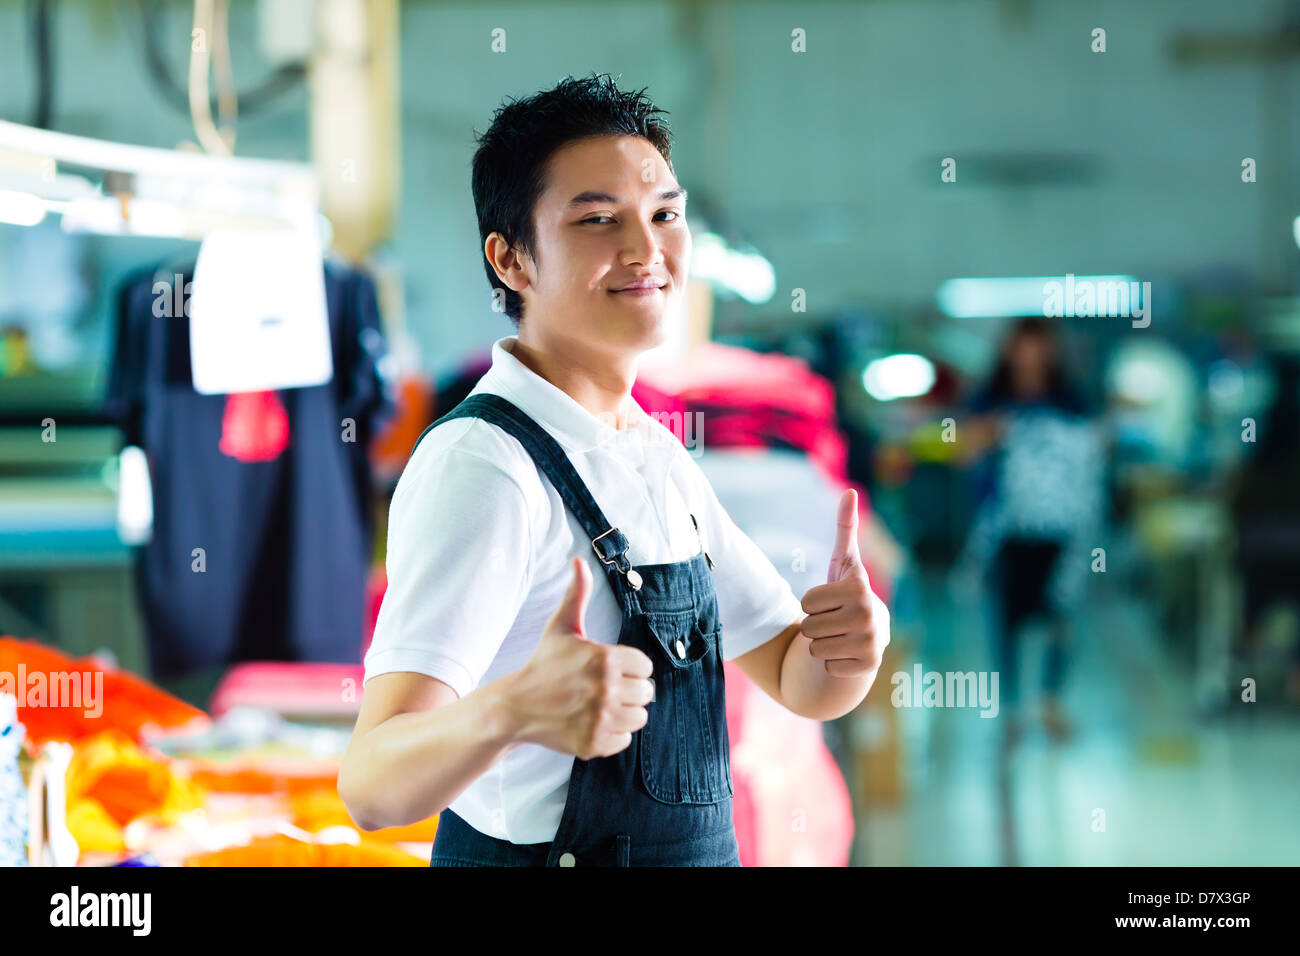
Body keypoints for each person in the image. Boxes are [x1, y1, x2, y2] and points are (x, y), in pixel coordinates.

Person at [338, 74, 891, 866]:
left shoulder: (653, 455)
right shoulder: (488, 465)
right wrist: (512, 711)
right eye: (598, 219)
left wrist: (848, 650)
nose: (646, 250)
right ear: (511, 260)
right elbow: (372, 785)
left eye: (665, 214)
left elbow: (794, 675)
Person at [959, 317, 1104, 745]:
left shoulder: (1072, 403)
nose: (1029, 357)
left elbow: (1093, 451)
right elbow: (963, 452)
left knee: (1062, 618)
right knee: (1006, 620)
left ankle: (1051, 701)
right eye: (1021, 347)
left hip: (1061, 528)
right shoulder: (988, 403)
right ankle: (1013, 708)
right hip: (1007, 528)